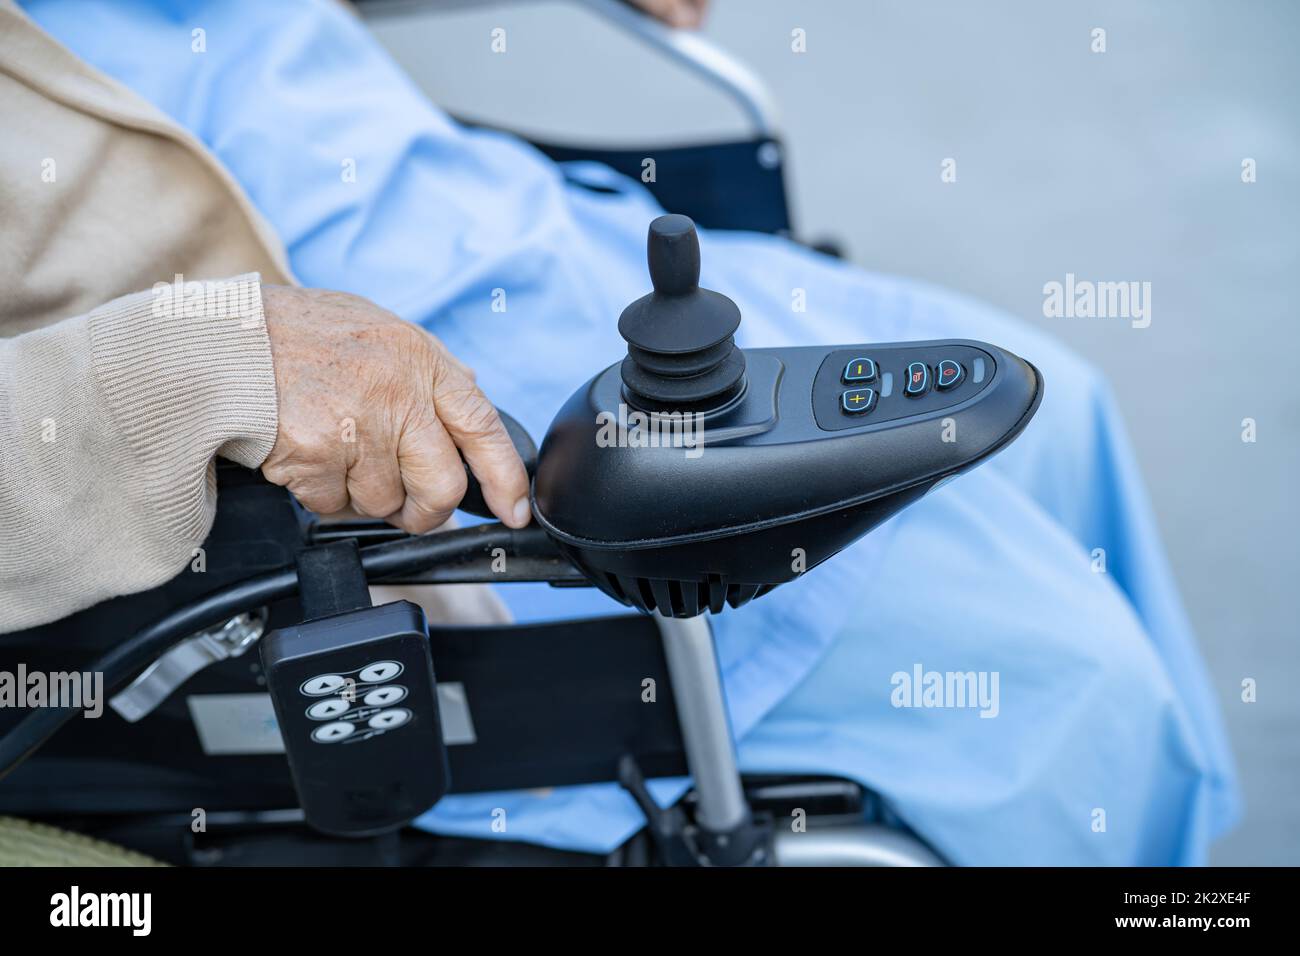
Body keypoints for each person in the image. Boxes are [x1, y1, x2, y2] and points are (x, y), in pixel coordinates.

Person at [1, 0, 1240, 864]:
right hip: (373, 396)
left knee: (1056, 405)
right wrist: (202, 365)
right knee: (1060, 694)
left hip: (471, 204)